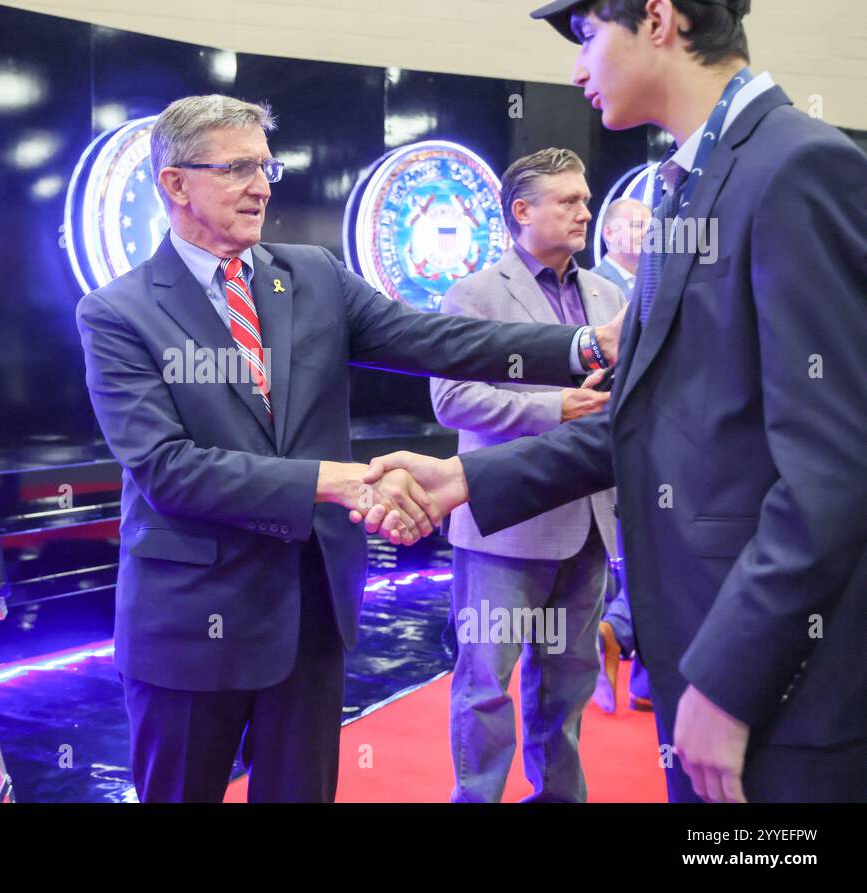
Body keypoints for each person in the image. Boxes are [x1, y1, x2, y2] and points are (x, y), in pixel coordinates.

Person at [360, 0, 867, 802]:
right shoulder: (687, 187)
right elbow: (644, 419)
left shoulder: (796, 168)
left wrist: (732, 676)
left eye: (589, 35)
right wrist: (460, 477)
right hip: (701, 660)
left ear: (660, 19)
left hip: (774, 687)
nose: (578, 69)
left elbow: (834, 470)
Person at [76, 94, 623, 802]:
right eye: (237, 167)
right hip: (189, 624)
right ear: (175, 183)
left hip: (311, 610)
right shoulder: (117, 312)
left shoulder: (313, 276)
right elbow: (168, 470)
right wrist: (336, 482)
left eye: (265, 164)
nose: (263, 184)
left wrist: (579, 344)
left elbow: (440, 340)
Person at [431, 147, 623, 801]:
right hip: (505, 527)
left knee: (567, 688)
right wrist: (556, 406)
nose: (584, 210)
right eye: (568, 199)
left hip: (591, 521)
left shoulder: (609, 295)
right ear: (522, 211)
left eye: (585, 198)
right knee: (486, 686)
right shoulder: (475, 293)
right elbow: (452, 399)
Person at [592, 196, 653, 712]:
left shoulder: (655, 282)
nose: (644, 233)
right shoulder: (597, 292)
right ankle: (620, 631)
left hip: (658, 447)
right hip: (609, 446)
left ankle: (633, 657)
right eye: (634, 225)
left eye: (649, 226)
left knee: (655, 559)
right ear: (609, 235)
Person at [593, 197, 649, 297]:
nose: (647, 233)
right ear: (609, 233)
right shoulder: (590, 283)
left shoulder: (656, 281)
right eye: (637, 225)